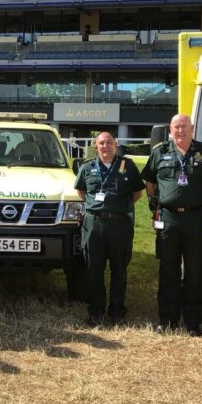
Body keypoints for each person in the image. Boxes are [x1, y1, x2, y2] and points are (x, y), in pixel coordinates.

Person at [141, 114, 202, 335]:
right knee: (168, 269)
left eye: (184, 127)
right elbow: (150, 182)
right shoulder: (160, 151)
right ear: (170, 129)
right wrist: (161, 201)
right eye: (176, 127)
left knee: (195, 270)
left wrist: (201, 192)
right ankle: (167, 319)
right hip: (169, 219)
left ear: (192, 128)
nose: (180, 131)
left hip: (197, 219)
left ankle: (193, 322)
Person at [74, 132, 145, 326]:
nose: (105, 146)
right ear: (95, 146)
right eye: (102, 143)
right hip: (94, 224)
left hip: (120, 224)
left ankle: (116, 312)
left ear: (116, 144)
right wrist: (95, 207)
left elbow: (138, 192)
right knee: (94, 270)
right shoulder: (87, 167)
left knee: (119, 269)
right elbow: (81, 191)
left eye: (109, 143)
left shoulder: (127, 166)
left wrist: (120, 208)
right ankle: (96, 311)